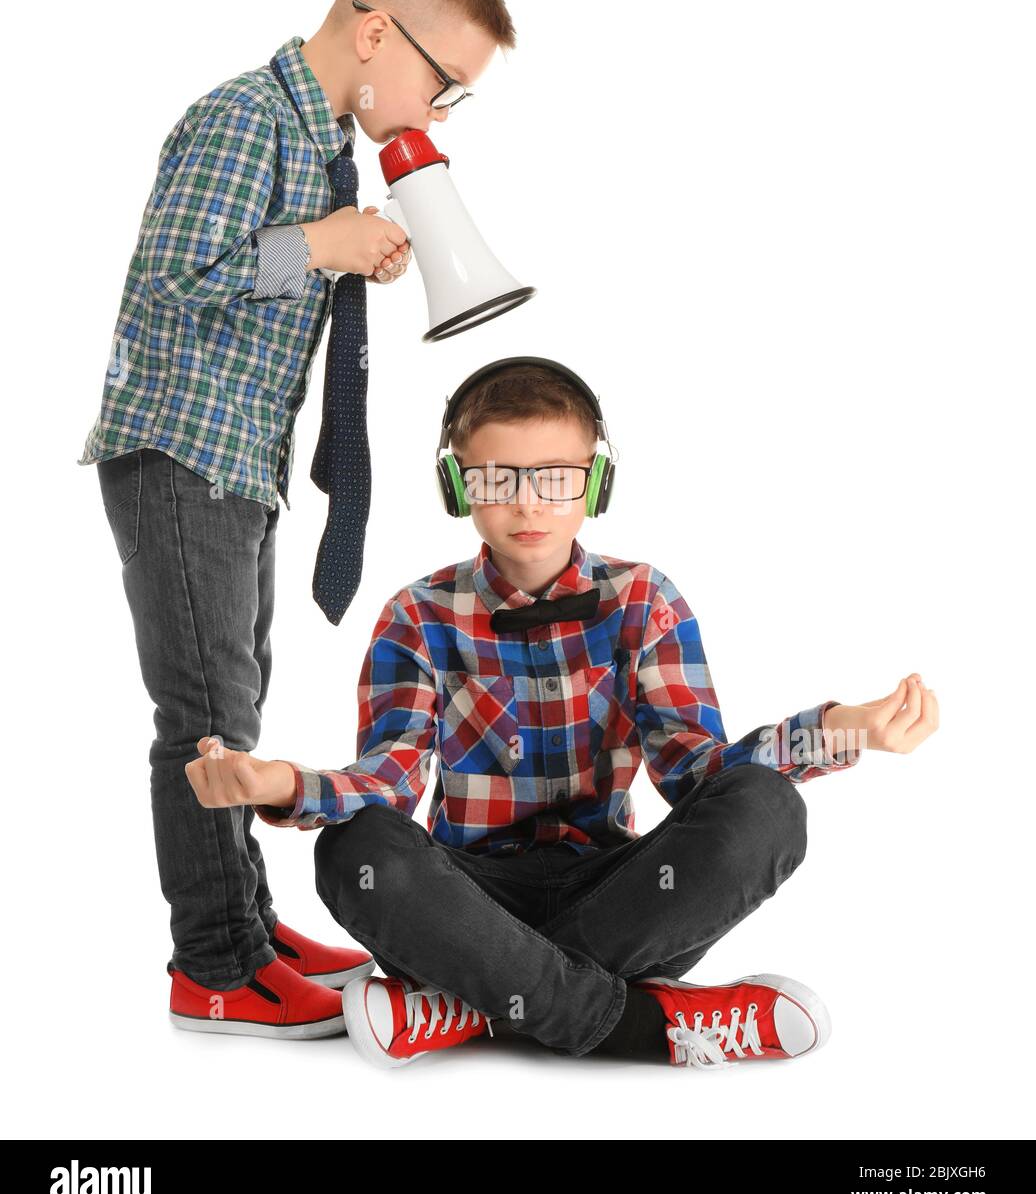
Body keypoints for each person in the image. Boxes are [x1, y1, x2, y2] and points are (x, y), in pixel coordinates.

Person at [186, 358, 939, 1067]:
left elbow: (699, 774)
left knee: (767, 809)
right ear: (456, 487)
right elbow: (390, 779)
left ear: (596, 483)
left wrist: (845, 730)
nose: (527, 504)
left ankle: (470, 1007)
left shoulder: (645, 598)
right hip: (464, 902)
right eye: (495, 478)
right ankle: (643, 1026)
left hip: (623, 895)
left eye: (554, 478)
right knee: (356, 850)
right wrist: (282, 783)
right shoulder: (416, 614)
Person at [78, 0, 516, 1038]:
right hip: (177, 450)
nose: (438, 113)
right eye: (443, 83)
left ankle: (252, 925)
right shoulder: (240, 120)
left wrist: (343, 240)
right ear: (376, 33)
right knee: (204, 723)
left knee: (235, 697)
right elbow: (174, 279)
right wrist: (322, 244)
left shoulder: (316, 141)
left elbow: (259, 273)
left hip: (234, 463)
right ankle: (213, 964)